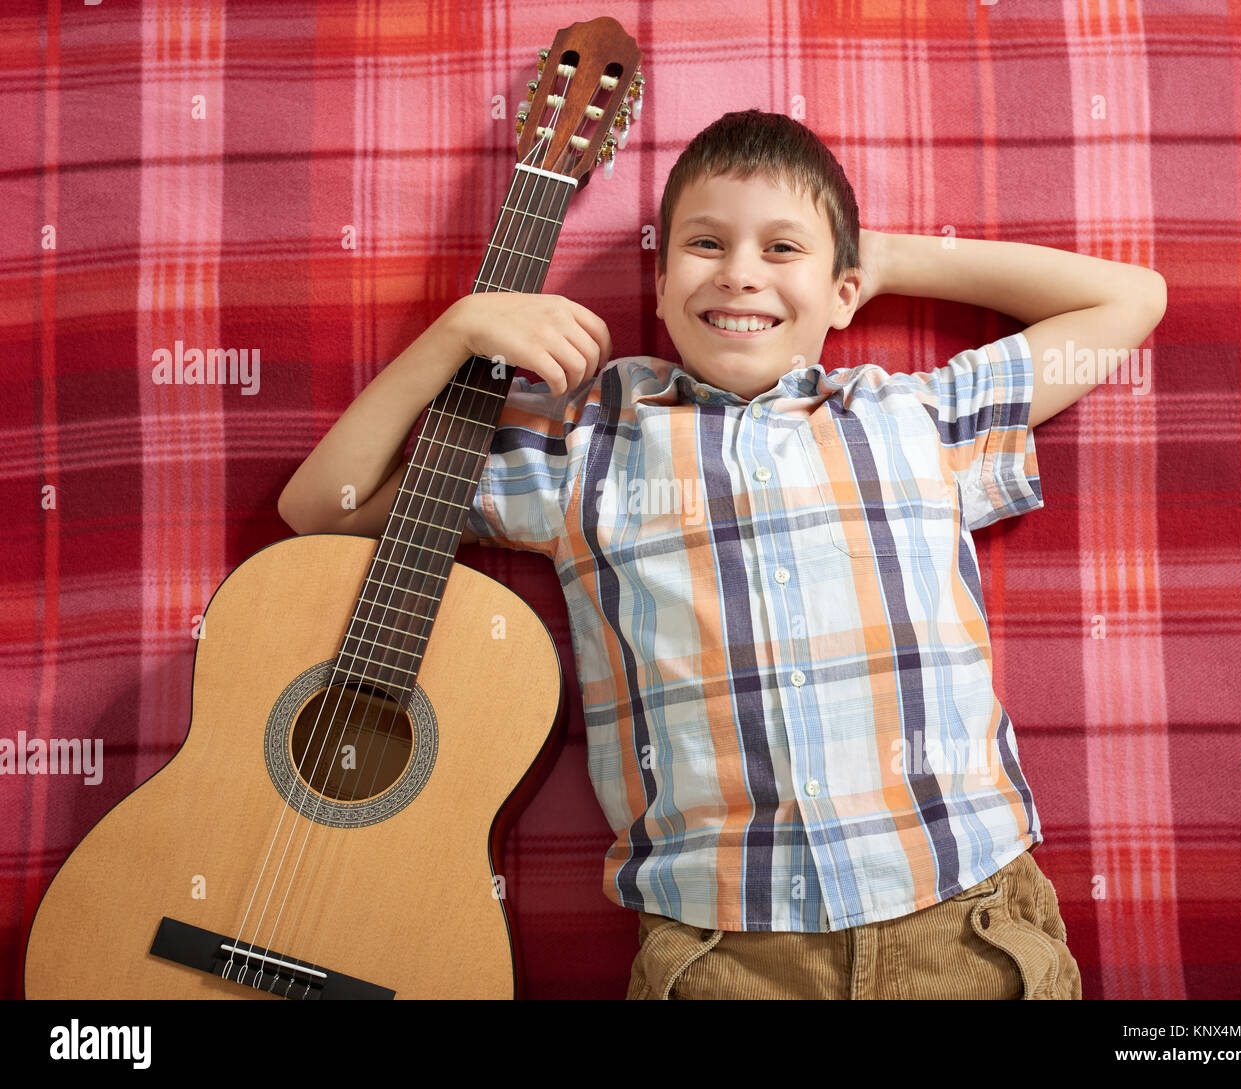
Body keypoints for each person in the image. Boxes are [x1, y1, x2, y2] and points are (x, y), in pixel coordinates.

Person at [277, 108, 1166, 999]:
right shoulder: (583, 444)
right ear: (659, 284)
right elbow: (321, 505)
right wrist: (457, 332)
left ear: (844, 292)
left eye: (782, 250)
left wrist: (879, 258)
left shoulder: (911, 418)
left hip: (963, 922)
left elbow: (1130, 300)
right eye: (705, 243)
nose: (740, 273)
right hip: (725, 953)